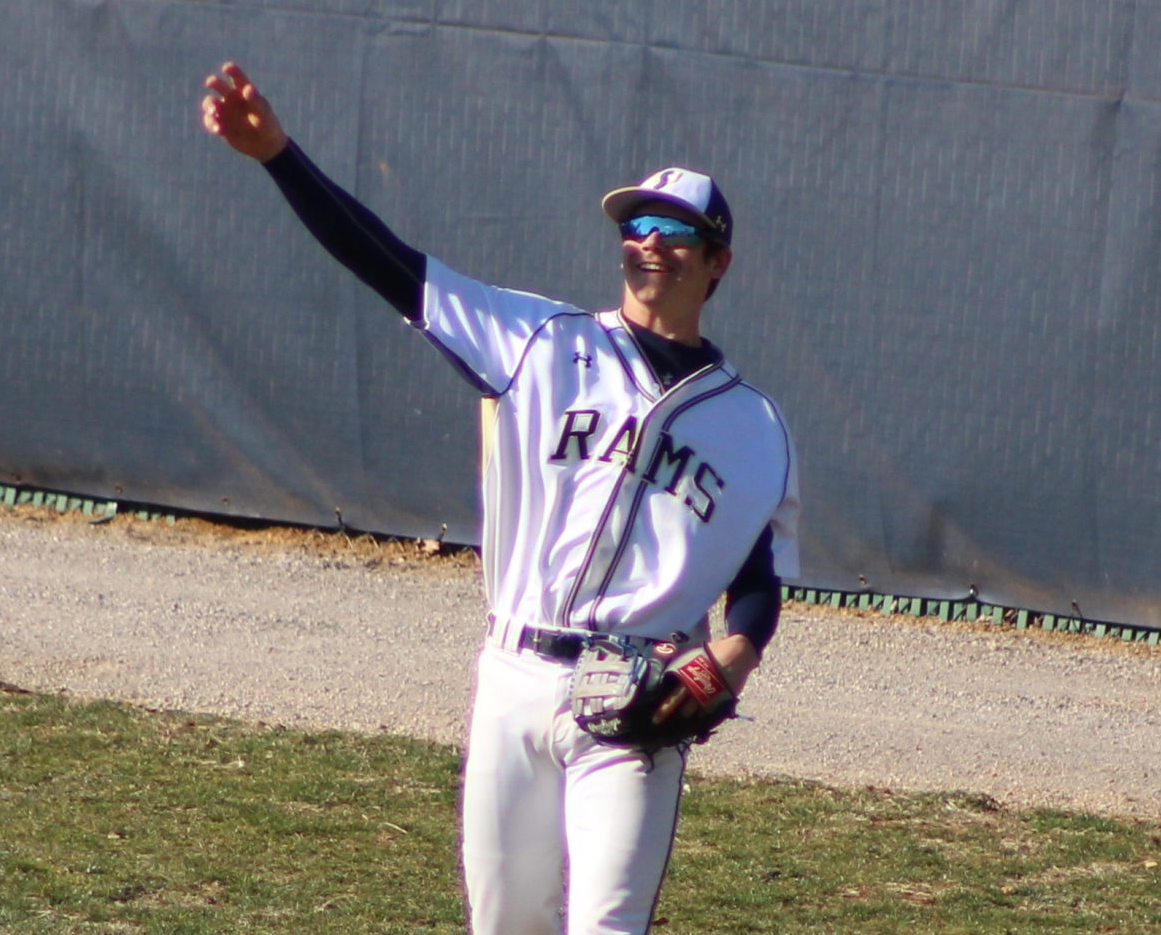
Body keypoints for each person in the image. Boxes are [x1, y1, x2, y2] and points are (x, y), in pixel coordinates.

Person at [200, 62, 800, 935]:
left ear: (718, 261)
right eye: (637, 224)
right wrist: (277, 156)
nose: (649, 242)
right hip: (513, 679)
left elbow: (758, 581)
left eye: (676, 229)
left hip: (634, 698)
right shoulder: (540, 342)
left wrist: (731, 659)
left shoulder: (756, 428)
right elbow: (388, 265)